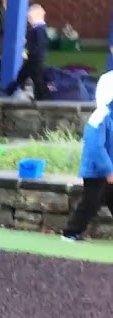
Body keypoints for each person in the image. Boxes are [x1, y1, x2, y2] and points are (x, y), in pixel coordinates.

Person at [61, 72, 113, 242]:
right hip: (95, 170)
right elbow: (95, 147)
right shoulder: (99, 117)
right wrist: (108, 170)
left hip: (108, 168)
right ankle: (71, 232)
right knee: (91, 202)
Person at [3, 3, 49, 100]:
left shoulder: (39, 30)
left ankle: (42, 97)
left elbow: (39, 45)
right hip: (34, 58)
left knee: (36, 78)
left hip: (36, 59)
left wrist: (29, 51)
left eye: (30, 17)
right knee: (24, 75)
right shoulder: (38, 29)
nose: (29, 19)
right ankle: (10, 90)